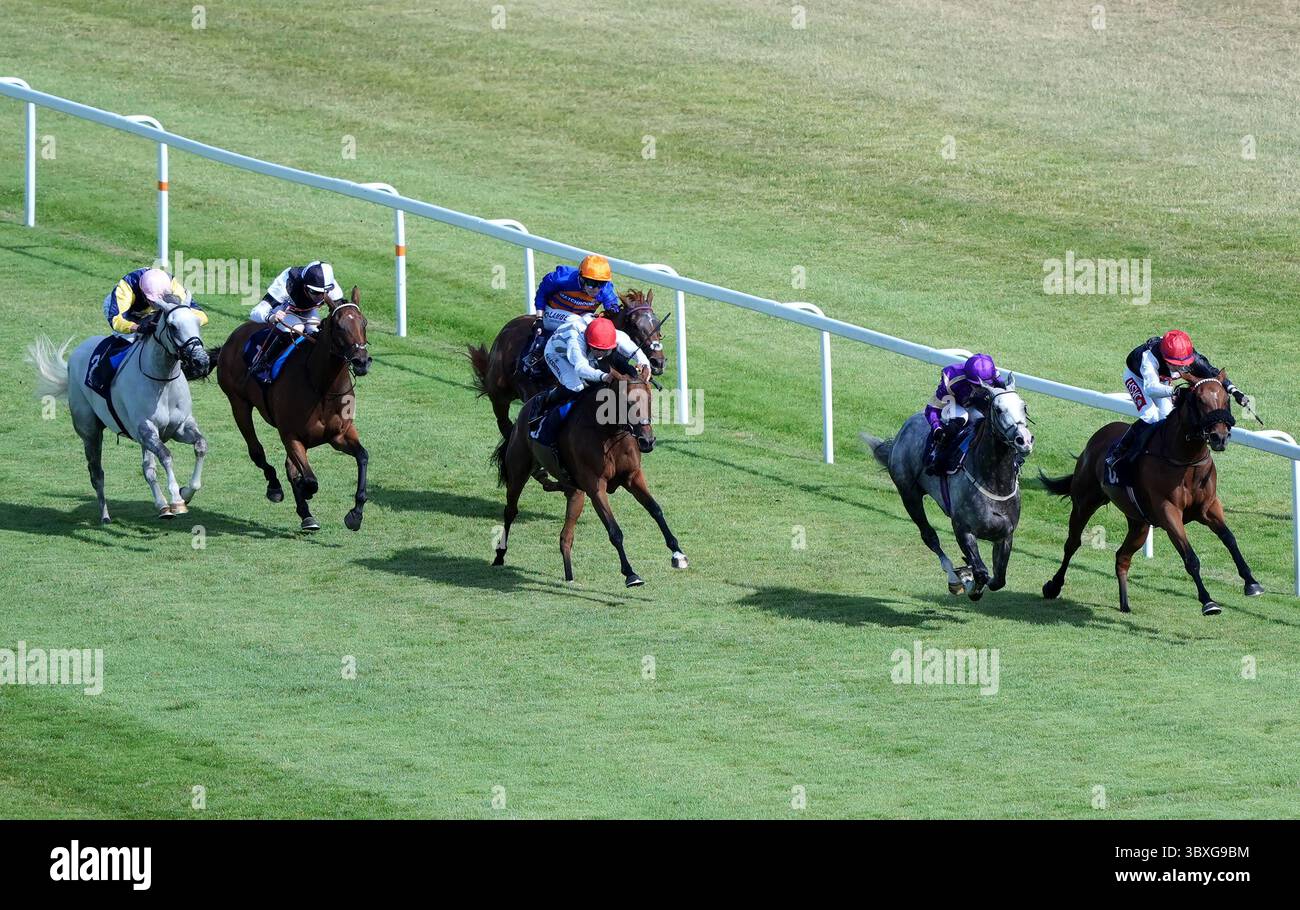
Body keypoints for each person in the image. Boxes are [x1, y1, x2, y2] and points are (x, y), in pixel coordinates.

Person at [1106, 330, 1250, 483]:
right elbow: (1151, 388)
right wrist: (1174, 390)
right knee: (1151, 416)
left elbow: (1214, 373)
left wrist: (1235, 392)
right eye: (1175, 365)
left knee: (1167, 415)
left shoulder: (1190, 357)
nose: (1181, 368)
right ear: (1165, 357)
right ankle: (1118, 452)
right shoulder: (1148, 358)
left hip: (1162, 381)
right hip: (1139, 380)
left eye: (1183, 364)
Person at [528, 316, 649, 444]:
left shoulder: (616, 335)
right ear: (588, 340)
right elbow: (581, 368)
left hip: (586, 351)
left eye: (603, 350)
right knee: (576, 386)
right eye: (596, 349)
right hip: (557, 354)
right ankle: (544, 398)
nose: (600, 353)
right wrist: (603, 376)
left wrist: (644, 363)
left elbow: (635, 351)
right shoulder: (575, 341)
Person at [519, 255, 621, 374]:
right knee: (576, 322)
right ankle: (536, 352)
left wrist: (611, 311)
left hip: (581, 317)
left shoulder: (605, 290)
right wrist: (539, 318)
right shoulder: (562, 278)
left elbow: (613, 307)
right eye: (591, 283)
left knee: (591, 326)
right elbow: (542, 293)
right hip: (552, 313)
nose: (595, 288)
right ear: (581, 277)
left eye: (601, 283)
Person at [248, 261, 342, 376]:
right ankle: (263, 364)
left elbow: (342, 313)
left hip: (307, 310)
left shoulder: (330, 285)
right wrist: (272, 317)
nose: (320, 297)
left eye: (324, 293)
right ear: (304, 286)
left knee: (317, 331)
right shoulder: (287, 283)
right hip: (283, 309)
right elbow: (255, 313)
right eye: (315, 292)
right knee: (296, 327)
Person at [924, 353, 1006, 474]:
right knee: (961, 418)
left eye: (988, 385)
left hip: (979, 405)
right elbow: (932, 408)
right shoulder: (951, 378)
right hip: (955, 404)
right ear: (968, 380)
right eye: (978, 386)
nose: (983, 389)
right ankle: (938, 458)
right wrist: (937, 428)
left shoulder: (995, 377)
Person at [103, 266, 206, 336]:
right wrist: (137, 328)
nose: (156, 304)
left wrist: (186, 323)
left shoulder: (172, 284)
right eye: (152, 300)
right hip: (125, 313)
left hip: (150, 313)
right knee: (129, 339)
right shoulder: (126, 287)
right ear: (142, 292)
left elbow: (201, 315)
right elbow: (116, 320)